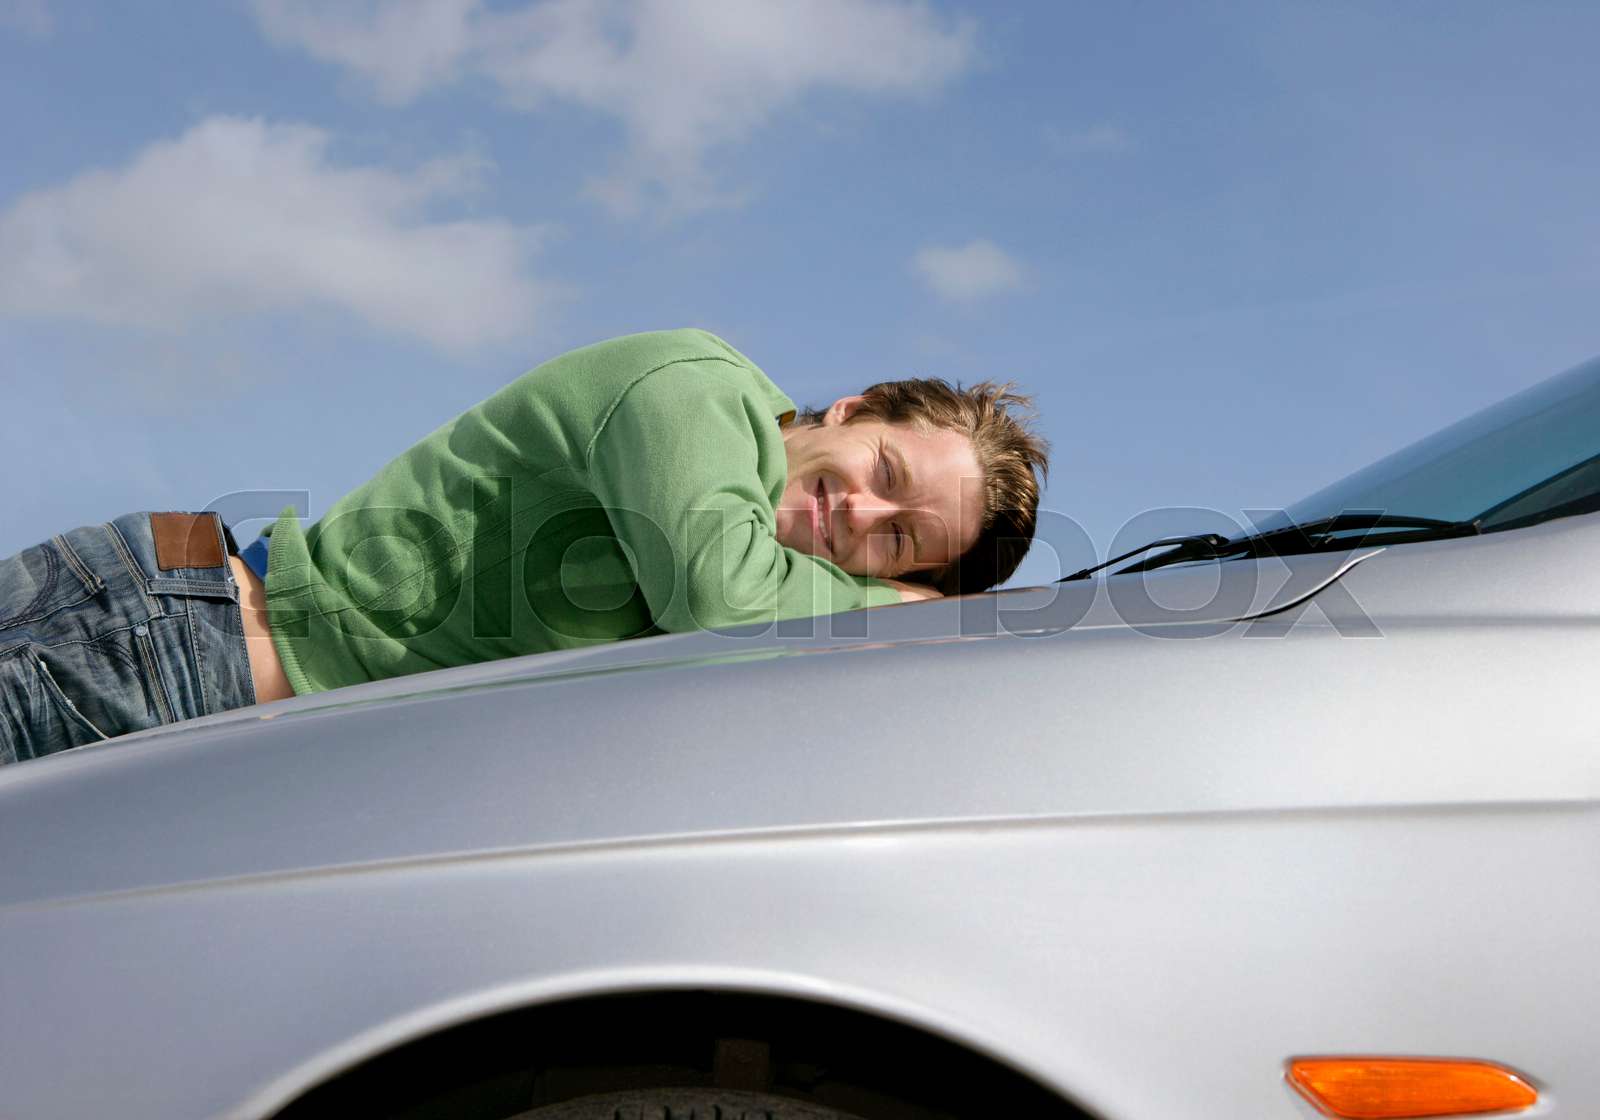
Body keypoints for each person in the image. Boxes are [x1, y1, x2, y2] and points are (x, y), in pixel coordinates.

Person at [0, 329, 1047, 764]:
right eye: (885, 473)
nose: (859, 514)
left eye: (898, 541)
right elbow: (721, 602)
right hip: (171, 638)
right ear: (854, 407)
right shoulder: (689, 389)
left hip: (203, 684)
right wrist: (921, 617)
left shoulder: (787, 580)